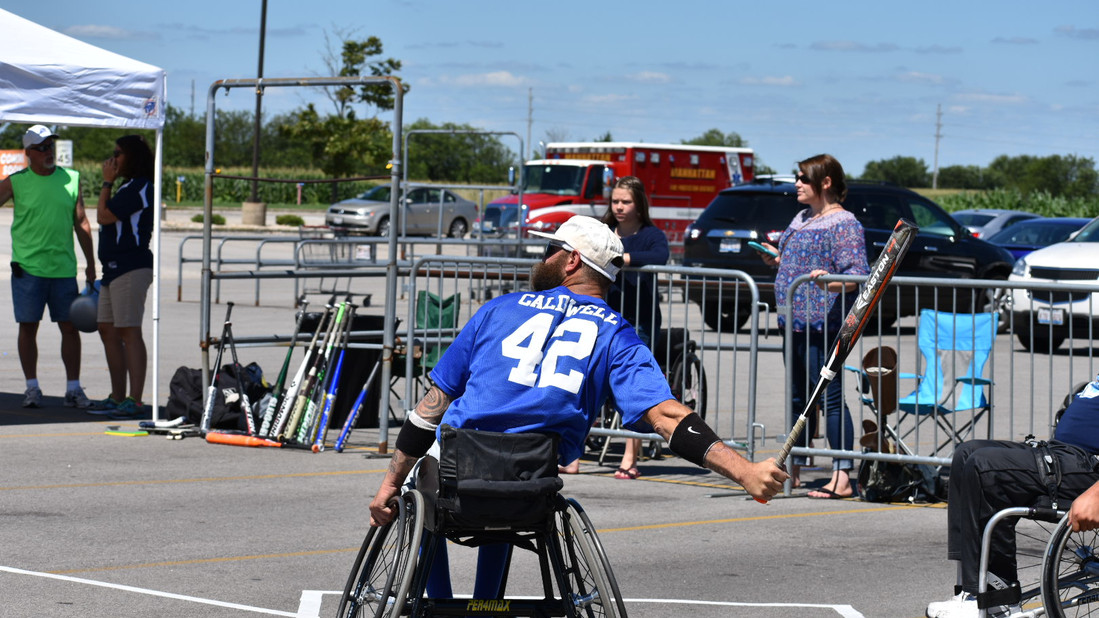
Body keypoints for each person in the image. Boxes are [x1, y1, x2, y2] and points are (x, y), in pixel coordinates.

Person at [369, 215, 787, 598]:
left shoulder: (498, 309)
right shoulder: (618, 334)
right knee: (506, 487)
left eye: (550, 248)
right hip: (530, 479)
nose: (543, 256)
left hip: (459, 469)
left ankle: (438, 600)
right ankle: (485, 602)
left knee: (419, 488)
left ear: (571, 260)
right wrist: (744, 471)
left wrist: (389, 485)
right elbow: (667, 416)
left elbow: (431, 407)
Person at [925, 376, 1099, 618]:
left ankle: (998, 599)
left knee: (985, 466)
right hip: (1064, 452)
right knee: (967, 453)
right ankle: (972, 590)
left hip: (1089, 469)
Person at [758, 154, 868, 499]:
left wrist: (829, 281)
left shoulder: (844, 223)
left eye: (804, 178)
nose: (797, 184)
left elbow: (856, 273)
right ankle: (796, 469)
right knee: (797, 396)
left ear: (826, 182)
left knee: (830, 399)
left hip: (826, 323)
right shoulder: (802, 217)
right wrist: (776, 259)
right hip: (792, 320)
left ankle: (842, 475)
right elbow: (795, 259)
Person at [0, 125, 95, 409]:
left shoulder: (71, 179)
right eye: (41, 148)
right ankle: (32, 388)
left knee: (70, 328)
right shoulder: (16, 182)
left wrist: (91, 263)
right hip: (28, 269)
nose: (48, 152)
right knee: (28, 327)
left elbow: (81, 222)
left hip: (64, 269)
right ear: (28, 153)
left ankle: (73, 389)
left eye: (50, 146)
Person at [600, 176, 670, 480]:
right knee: (590, 380)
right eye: (615, 200)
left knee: (633, 386)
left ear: (638, 204)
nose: (618, 206)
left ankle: (630, 457)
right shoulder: (603, 232)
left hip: (639, 321)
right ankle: (572, 454)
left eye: (625, 201)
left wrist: (627, 258)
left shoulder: (651, 234)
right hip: (604, 317)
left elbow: (660, 256)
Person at [86, 135, 156, 420]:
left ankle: (135, 400)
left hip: (131, 266)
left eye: (118, 154)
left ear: (133, 157)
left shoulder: (140, 187)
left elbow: (103, 216)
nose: (113, 160)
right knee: (107, 328)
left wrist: (106, 182)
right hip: (112, 269)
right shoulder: (129, 185)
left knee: (129, 330)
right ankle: (117, 395)